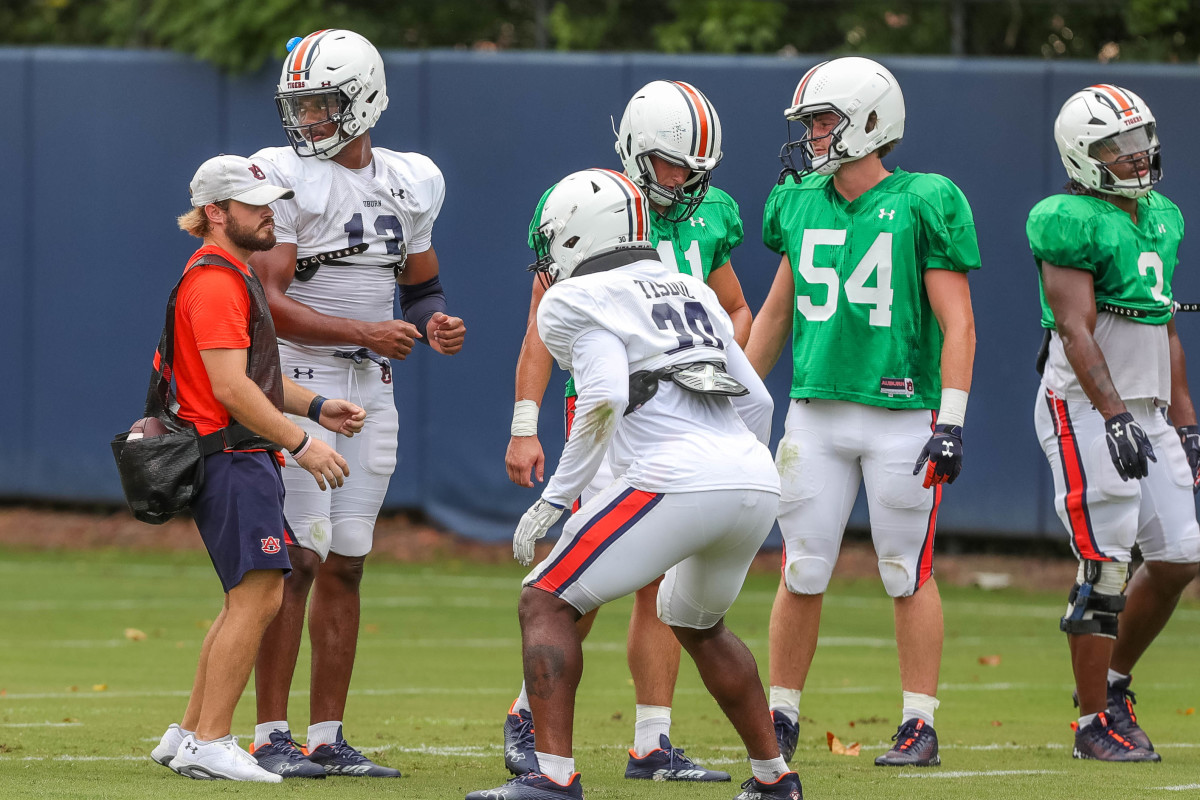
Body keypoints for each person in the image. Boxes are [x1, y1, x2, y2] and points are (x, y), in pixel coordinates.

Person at [469, 168, 801, 800]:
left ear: (579, 236)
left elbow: (602, 399)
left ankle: (551, 778)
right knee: (697, 624)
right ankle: (773, 780)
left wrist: (555, 499)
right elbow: (757, 400)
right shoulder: (692, 289)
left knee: (544, 599)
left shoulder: (576, 298)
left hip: (675, 476)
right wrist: (735, 469)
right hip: (753, 477)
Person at [502, 80, 750, 782]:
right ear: (637, 153)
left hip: (683, 422)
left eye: (697, 169)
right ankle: (527, 712)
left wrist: (718, 382)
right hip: (606, 417)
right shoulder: (591, 206)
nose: (686, 181)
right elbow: (539, 329)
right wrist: (526, 425)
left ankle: (652, 741)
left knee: (663, 584)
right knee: (581, 578)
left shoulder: (712, 216)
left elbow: (738, 311)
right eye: (673, 165)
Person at [746, 56, 979, 768]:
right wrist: (738, 401)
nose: (813, 137)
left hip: (902, 415)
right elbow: (774, 316)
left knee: (905, 569)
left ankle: (919, 723)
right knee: (803, 567)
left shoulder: (924, 200)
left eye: (824, 121)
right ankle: (779, 714)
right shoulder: (799, 200)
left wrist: (952, 420)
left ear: (871, 124)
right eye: (811, 123)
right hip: (815, 412)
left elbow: (959, 322)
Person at [246, 29, 466, 778]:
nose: (305, 119)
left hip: (372, 389)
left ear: (364, 100)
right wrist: (366, 328)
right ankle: (271, 735)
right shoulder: (282, 176)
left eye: (320, 104)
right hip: (300, 381)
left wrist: (433, 319)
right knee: (298, 556)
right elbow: (269, 303)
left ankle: (327, 737)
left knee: (347, 560)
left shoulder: (411, 180)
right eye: (299, 104)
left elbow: (423, 281)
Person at [150, 154, 366, 781]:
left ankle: (189, 731)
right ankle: (211, 740)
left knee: (244, 596)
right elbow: (231, 389)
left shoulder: (219, 273)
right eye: (253, 205)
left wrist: (318, 405)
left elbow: (253, 380)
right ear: (215, 214)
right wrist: (304, 443)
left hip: (232, 454)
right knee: (260, 594)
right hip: (234, 457)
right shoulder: (217, 280)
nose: (269, 213)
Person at [1030, 84, 1200, 762]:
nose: (1137, 156)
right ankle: (1091, 725)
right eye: (1118, 147)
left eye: (1141, 141)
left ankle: (1112, 682)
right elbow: (1074, 328)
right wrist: (1113, 416)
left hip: (1147, 408)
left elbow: (1164, 328)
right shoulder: (1066, 217)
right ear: (1082, 153)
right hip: (1085, 407)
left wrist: (1184, 421)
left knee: (1180, 555)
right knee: (1104, 564)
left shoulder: (1162, 215)